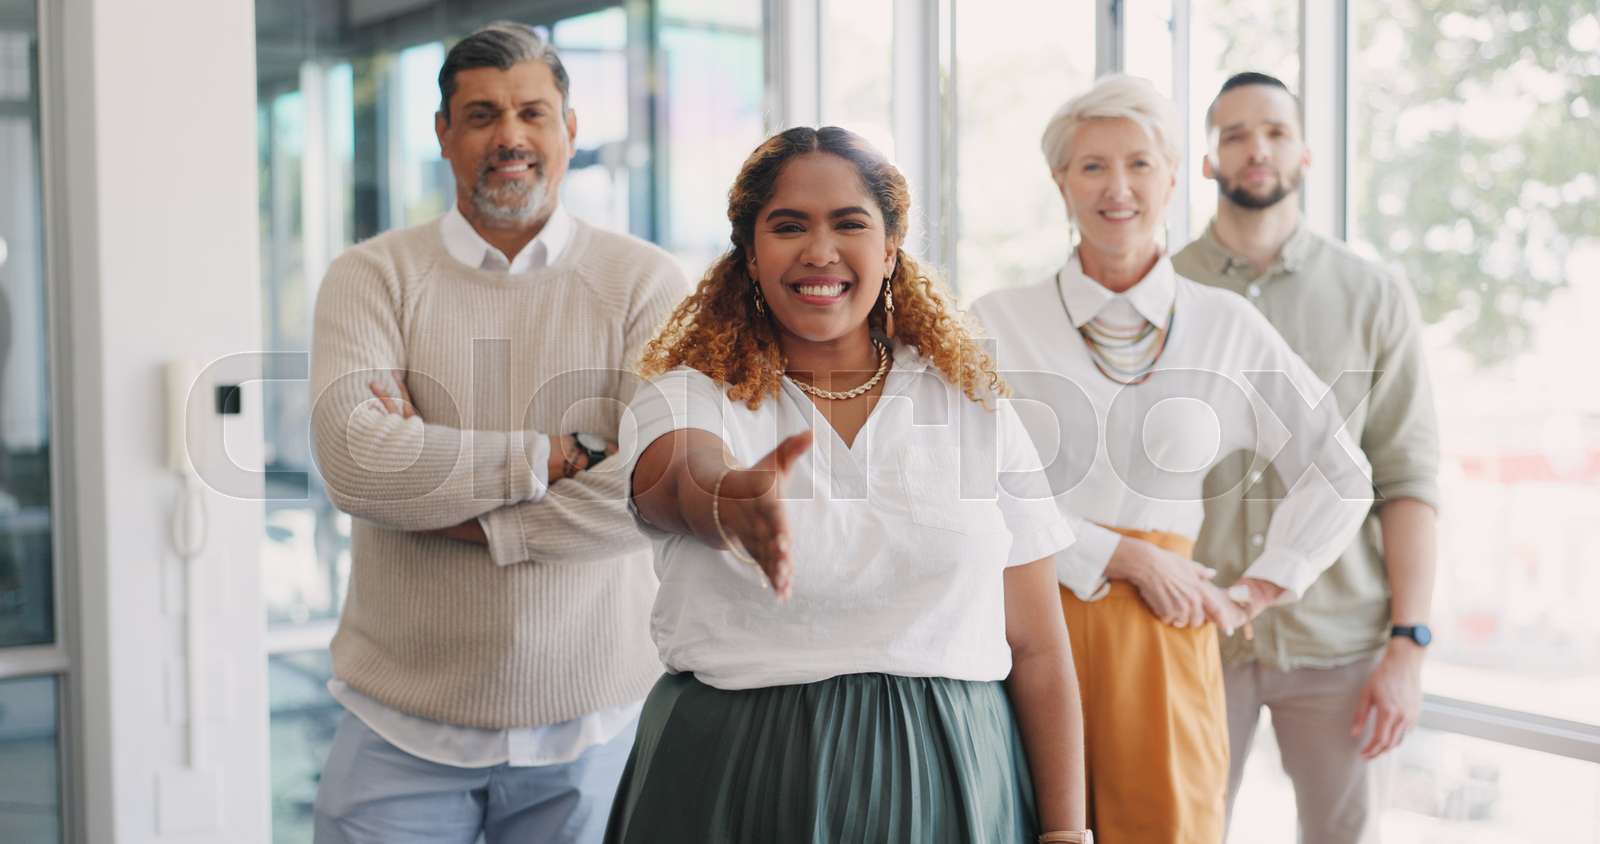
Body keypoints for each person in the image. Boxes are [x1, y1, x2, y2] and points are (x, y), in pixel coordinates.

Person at [606, 126, 1090, 844]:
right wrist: (731, 501)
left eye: (849, 224)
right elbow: (677, 478)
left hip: (956, 772)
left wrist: (1066, 832)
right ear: (749, 254)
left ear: (890, 249)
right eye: (788, 226)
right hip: (736, 772)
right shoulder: (687, 395)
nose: (819, 250)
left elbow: (1040, 646)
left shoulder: (972, 404)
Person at [308, 21, 687, 843]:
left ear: (570, 130)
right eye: (481, 115)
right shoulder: (370, 278)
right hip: (397, 726)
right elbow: (355, 462)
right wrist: (550, 458)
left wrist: (451, 504)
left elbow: (647, 492)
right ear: (443, 134)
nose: (509, 136)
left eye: (532, 113)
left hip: (593, 728)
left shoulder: (646, 284)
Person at [970, 74, 1373, 844]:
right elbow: (968, 484)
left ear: (1175, 178)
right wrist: (1116, 553)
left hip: (1165, 636)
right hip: (1017, 630)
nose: (1116, 187)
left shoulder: (1227, 326)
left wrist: (1259, 588)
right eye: (1091, 166)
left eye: (1139, 164)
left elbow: (1341, 470)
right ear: (1061, 181)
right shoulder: (997, 320)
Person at [1172, 71, 1439, 844]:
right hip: (1194, 634)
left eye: (1276, 132)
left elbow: (1407, 475)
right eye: (1235, 134)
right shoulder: (1163, 291)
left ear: (1306, 152)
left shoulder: (1373, 295)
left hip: (1340, 647)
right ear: (1208, 160)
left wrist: (1408, 645)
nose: (1257, 149)